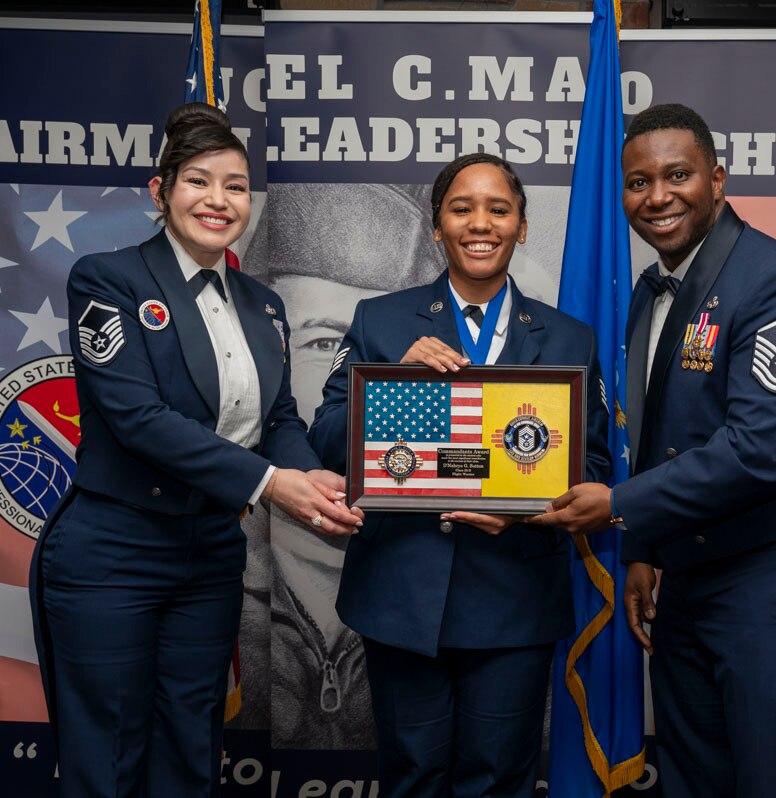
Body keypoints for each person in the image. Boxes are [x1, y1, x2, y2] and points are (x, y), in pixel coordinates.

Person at [27, 102, 363, 797]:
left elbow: (278, 419)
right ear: (162, 191)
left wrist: (315, 480)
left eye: (235, 185)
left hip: (209, 552)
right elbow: (139, 419)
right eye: (199, 181)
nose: (218, 200)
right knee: (108, 754)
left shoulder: (261, 304)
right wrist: (273, 484)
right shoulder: (109, 280)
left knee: (190, 744)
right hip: (113, 550)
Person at [532, 104, 776, 797]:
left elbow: (759, 451)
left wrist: (620, 507)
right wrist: (647, 546)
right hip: (689, 575)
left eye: (678, 175)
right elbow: (662, 433)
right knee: (692, 777)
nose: (657, 197)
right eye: (638, 182)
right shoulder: (654, 293)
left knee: (774, 780)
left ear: (717, 179)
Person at [306, 152, 611, 797]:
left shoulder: (567, 340)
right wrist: (392, 384)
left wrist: (527, 505)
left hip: (514, 601)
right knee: (412, 778)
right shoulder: (382, 323)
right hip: (403, 595)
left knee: (498, 781)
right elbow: (327, 438)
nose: (481, 223)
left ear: (522, 226)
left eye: (498, 209)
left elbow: (594, 467)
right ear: (439, 225)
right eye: (461, 208)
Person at [234, 183, 445, 748]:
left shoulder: (446, 601)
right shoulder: (213, 601)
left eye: (391, 352)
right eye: (330, 344)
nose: (367, 377)